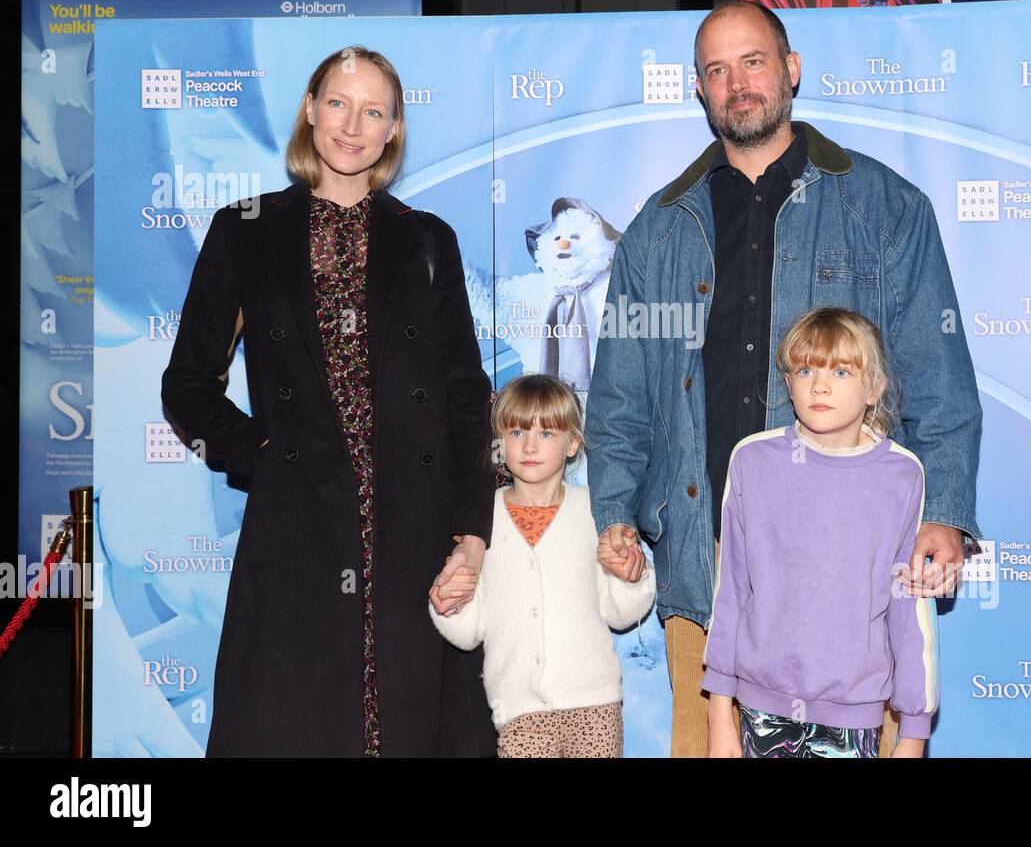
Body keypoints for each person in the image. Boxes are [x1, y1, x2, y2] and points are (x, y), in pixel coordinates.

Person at [586, 0, 981, 757]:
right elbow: (619, 400)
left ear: (791, 70)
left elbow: (938, 380)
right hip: (706, 581)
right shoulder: (657, 232)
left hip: (858, 591)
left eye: (753, 61)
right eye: (716, 69)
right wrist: (616, 513)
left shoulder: (886, 208)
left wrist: (946, 512)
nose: (736, 83)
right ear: (699, 91)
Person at [161, 45, 497, 756]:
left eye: (373, 111)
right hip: (299, 528)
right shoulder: (244, 228)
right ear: (311, 112)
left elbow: (467, 395)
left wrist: (471, 533)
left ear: (394, 131)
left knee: (412, 727)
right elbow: (186, 383)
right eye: (339, 104)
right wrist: (262, 453)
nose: (353, 124)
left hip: (413, 528)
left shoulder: (427, 239)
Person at [704, 307, 936, 758]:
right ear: (787, 382)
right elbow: (730, 590)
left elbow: (910, 611)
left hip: (853, 718)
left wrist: (913, 734)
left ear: (875, 388)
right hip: (759, 710)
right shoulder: (752, 461)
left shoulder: (901, 475)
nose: (820, 385)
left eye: (843, 371)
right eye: (805, 369)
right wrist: (719, 718)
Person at [430, 373, 656, 757]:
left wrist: (631, 577)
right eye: (517, 432)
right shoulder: (481, 522)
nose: (530, 445)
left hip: (595, 709)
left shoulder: (595, 511)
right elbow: (470, 632)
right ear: (499, 442)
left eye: (547, 433)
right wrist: (447, 604)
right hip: (520, 713)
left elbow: (621, 614)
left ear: (573, 444)